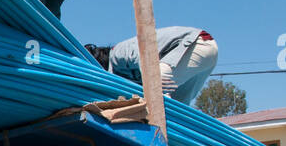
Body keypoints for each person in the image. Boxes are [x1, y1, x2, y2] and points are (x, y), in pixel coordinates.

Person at [88, 27, 219, 105]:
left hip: (197, 45)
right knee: (179, 108)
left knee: (157, 91)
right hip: (208, 54)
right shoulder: (120, 74)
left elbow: (144, 57)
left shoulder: (117, 53)